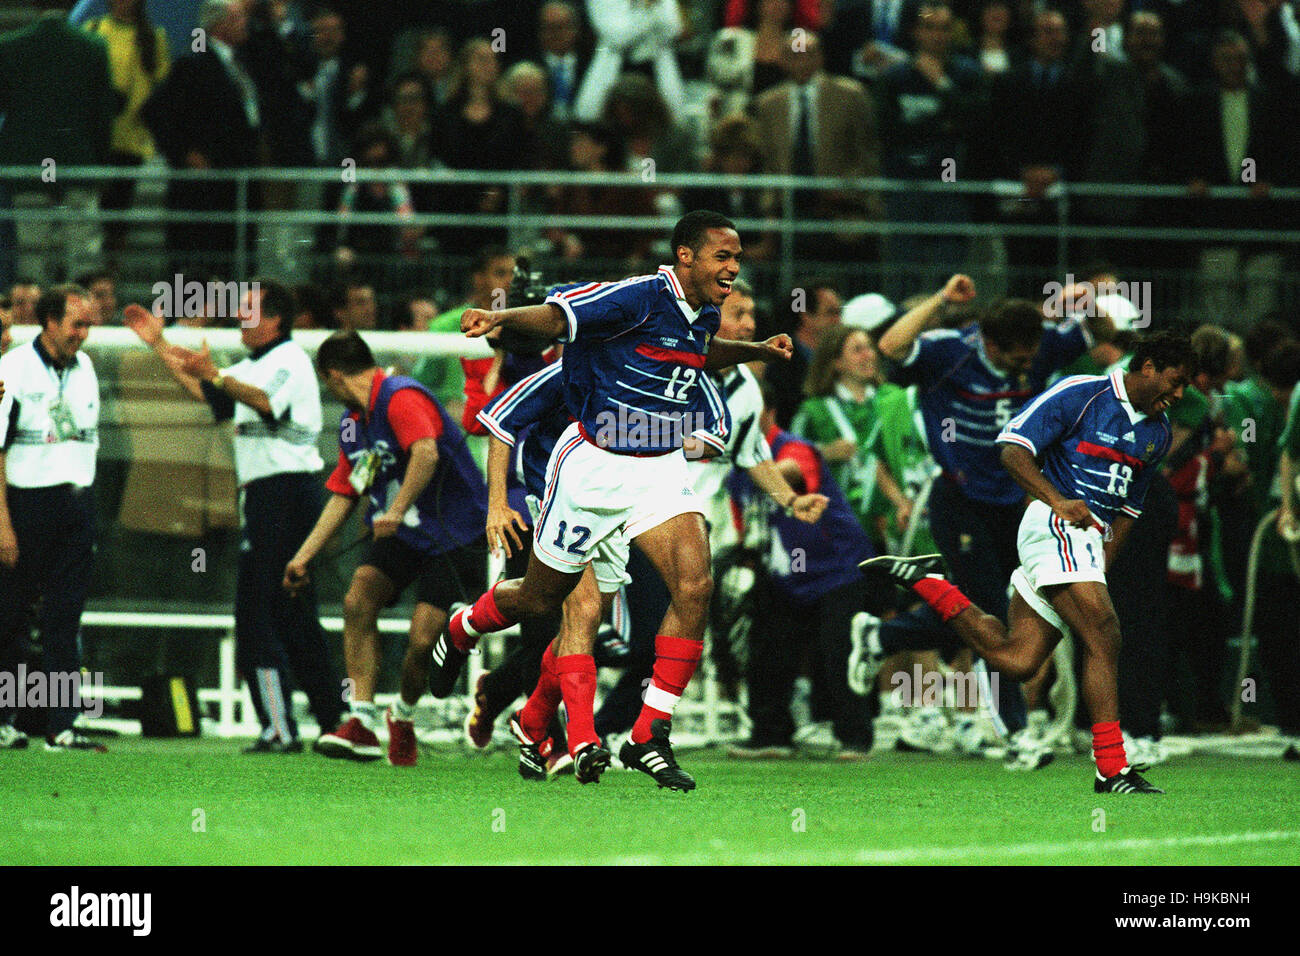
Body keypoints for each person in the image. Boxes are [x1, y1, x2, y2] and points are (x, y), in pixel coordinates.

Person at [428, 210, 796, 791]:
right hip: (591, 468)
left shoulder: (701, 312)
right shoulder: (636, 297)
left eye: (737, 257)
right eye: (722, 256)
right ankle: (466, 625)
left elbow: (701, 352)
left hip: (656, 468)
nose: (732, 267)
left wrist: (755, 350)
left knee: (695, 586)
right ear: (685, 256)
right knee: (539, 598)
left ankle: (650, 732)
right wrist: (499, 316)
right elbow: (555, 317)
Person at [862, 332, 1196, 793]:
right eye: (1175, 382)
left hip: (1085, 545)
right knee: (1106, 633)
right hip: (1053, 525)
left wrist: (1101, 565)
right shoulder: (1082, 392)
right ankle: (1112, 767)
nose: (1178, 396)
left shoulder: (1156, 434)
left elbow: (1128, 512)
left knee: (1016, 660)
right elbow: (1013, 450)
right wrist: (1059, 501)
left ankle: (929, 583)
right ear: (1149, 366)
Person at [852, 274, 1110, 765]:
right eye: (1015, 357)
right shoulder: (950, 353)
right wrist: (941, 299)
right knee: (991, 606)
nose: (1025, 366)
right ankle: (1014, 734)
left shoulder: (1042, 346)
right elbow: (891, 344)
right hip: (961, 498)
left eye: (1030, 356)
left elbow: (1100, 333)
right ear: (991, 343)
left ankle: (882, 636)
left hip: (1019, 498)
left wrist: (1089, 302)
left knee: (1009, 607)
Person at [123, 280, 345, 753]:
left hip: (285, 495)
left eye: (249, 309)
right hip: (272, 497)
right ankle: (334, 723)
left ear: (276, 320)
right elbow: (207, 390)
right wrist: (160, 344)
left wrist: (218, 377)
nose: (240, 316)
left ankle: (280, 729)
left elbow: (261, 401)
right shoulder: (256, 366)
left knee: (256, 614)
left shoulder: (288, 362)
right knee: (295, 617)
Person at [286, 331, 488, 767]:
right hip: (403, 534)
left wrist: (395, 510)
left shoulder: (400, 397)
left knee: (422, 642)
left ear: (333, 375)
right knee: (358, 599)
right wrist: (302, 558)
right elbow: (345, 491)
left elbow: (426, 454)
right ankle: (360, 721)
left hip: (455, 534)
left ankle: (404, 714)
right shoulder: (353, 423)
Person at [0, 286, 103, 750]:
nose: (83, 334)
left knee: (65, 618)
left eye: (87, 325)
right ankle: (4, 717)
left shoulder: (87, 369)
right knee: (10, 617)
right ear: (49, 322)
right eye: (76, 324)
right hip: (26, 506)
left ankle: (63, 724)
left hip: (76, 507)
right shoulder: (13, 369)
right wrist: (2, 524)